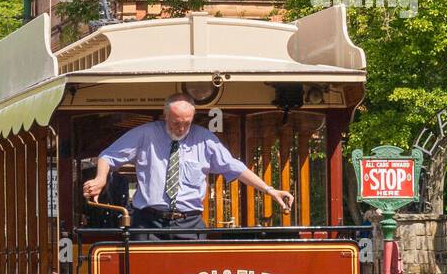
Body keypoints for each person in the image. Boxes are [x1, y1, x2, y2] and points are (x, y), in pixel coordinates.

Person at [82, 92, 295, 238]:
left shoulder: (204, 139)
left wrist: (269, 190)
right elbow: (108, 156)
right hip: (148, 223)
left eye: (187, 122)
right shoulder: (145, 134)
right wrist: (101, 179)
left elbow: (235, 167)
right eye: (176, 122)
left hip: (189, 224)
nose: (182, 127)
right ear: (165, 115)